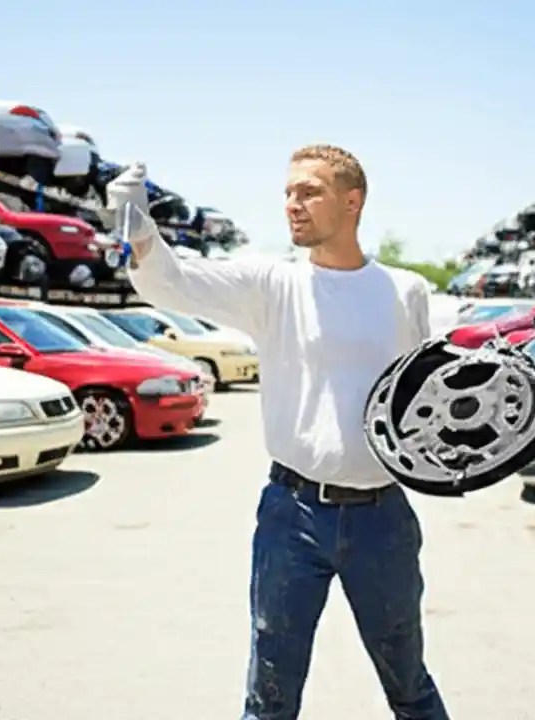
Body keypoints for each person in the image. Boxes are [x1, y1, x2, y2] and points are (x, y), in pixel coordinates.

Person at [107, 144, 451, 720]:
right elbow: (175, 283)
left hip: (383, 518)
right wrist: (141, 234)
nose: (292, 204)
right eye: (288, 193)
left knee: (409, 683)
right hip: (292, 516)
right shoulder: (273, 285)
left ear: (352, 201)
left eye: (309, 192)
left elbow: (428, 396)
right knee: (269, 696)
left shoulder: (404, 290)